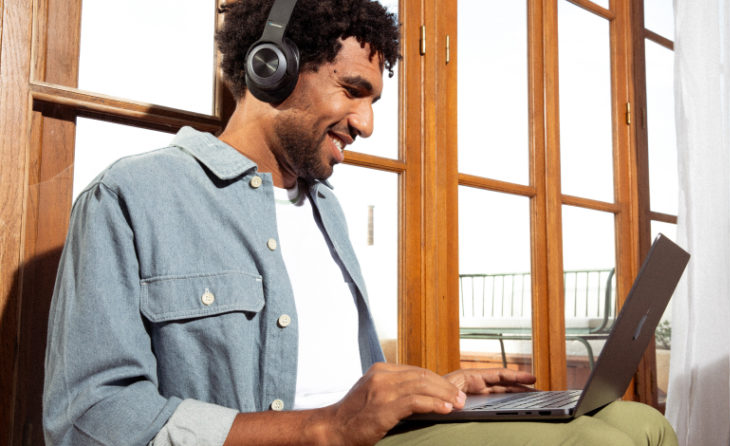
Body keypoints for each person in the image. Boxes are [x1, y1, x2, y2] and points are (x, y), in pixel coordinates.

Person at [42, 0, 678, 445]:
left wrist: (432, 390)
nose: (368, 125)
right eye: (353, 90)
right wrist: (324, 428)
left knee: (636, 421)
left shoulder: (327, 211)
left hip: (370, 438)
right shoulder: (131, 197)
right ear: (275, 66)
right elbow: (88, 418)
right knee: (612, 442)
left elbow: (345, 388)